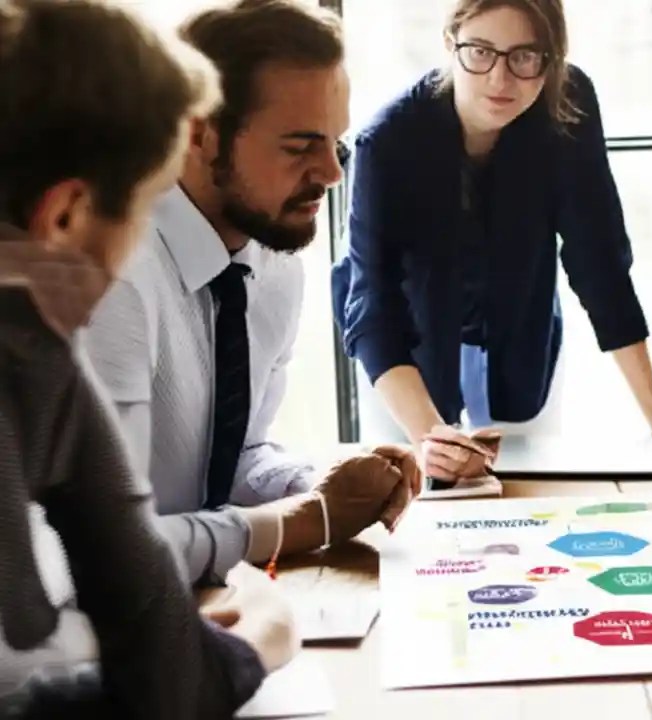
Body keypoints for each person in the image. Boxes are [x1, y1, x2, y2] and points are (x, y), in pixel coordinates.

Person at [0, 0, 296, 716]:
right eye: (140, 207)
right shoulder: (30, 353)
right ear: (65, 217)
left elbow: (158, 654)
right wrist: (261, 640)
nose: (139, 246)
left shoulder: (42, 349)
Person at [83, 0, 421, 586]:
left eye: (335, 142)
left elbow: (232, 458)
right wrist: (306, 520)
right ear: (198, 134)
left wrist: (317, 481)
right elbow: (101, 547)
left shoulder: (271, 258)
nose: (333, 173)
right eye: (299, 147)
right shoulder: (112, 276)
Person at [331, 0, 652, 481]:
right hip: (405, 349)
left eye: (524, 57)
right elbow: (373, 304)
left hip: (518, 330)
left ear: (551, 59)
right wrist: (431, 435)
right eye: (480, 52)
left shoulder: (567, 103)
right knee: (420, 494)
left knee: (529, 495)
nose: (500, 79)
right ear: (450, 44)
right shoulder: (386, 141)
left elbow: (598, 258)